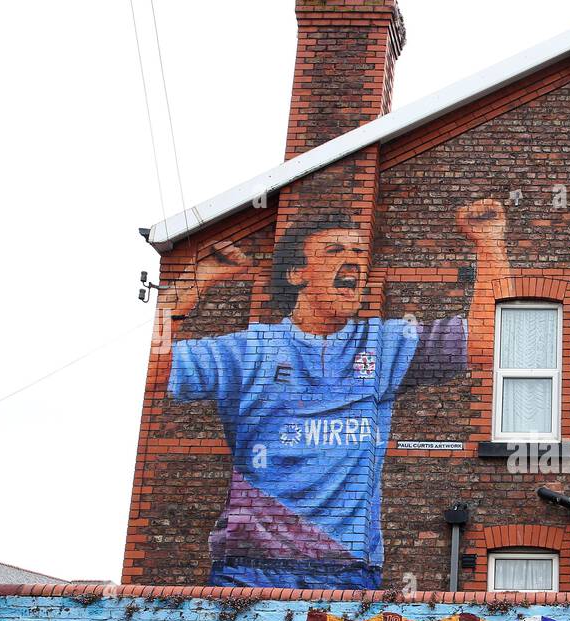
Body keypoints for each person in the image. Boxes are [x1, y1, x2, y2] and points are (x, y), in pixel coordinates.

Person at [153, 199, 509, 588]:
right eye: (334, 251)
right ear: (297, 273)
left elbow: (482, 342)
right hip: (247, 571)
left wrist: (488, 244)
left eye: (359, 252)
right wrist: (190, 288)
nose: (354, 261)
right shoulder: (250, 349)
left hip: (348, 573)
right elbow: (160, 371)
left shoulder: (383, 344)